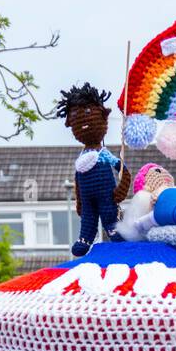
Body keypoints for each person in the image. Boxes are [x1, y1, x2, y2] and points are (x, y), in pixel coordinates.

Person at [54, 83, 131, 256]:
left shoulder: (104, 154)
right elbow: (77, 181)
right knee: (88, 219)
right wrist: (80, 201)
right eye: (76, 116)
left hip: (106, 196)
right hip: (87, 199)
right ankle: (85, 238)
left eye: (89, 113)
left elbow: (121, 169)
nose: (83, 123)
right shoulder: (81, 158)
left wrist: (121, 190)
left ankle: (112, 230)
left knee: (109, 215)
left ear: (103, 117)